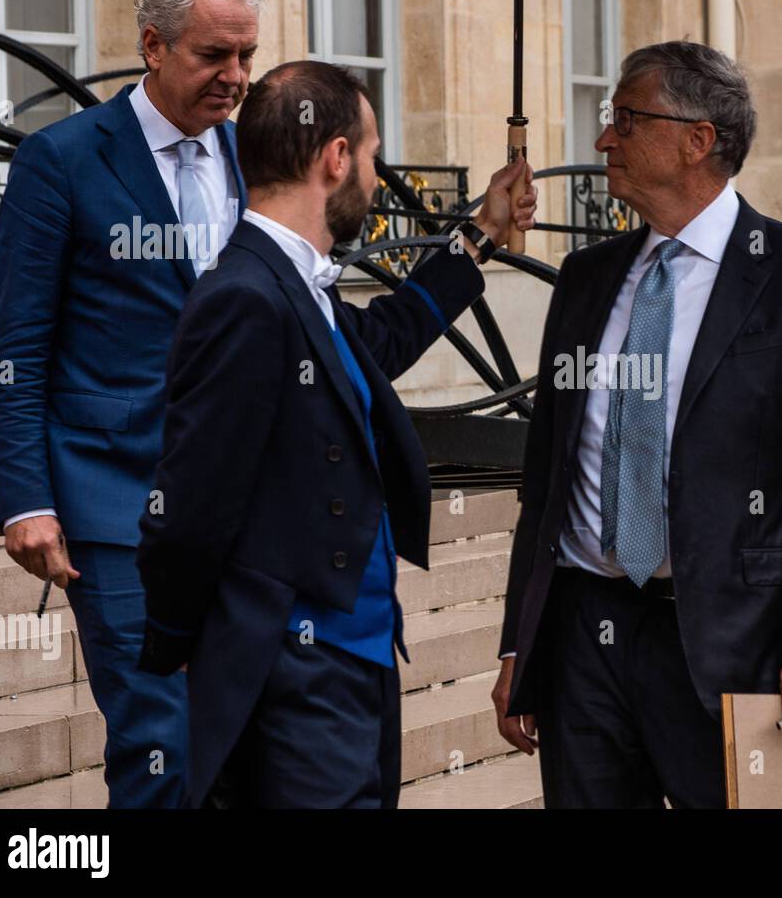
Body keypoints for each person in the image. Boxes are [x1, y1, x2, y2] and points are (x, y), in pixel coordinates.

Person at [136, 60, 536, 808]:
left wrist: (479, 233)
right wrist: (185, 645)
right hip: (292, 669)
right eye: (374, 153)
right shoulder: (244, 297)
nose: (379, 179)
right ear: (336, 157)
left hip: (354, 661)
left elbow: (382, 340)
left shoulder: (295, 284)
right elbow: (188, 502)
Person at [491, 40, 782, 808]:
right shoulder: (586, 278)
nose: (605, 139)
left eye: (626, 119)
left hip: (737, 645)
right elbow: (547, 481)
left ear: (698, 140)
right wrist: (519, 642)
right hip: (583, 639)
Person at [0, 0, 261, 807]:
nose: (236, 76)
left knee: (242, 742)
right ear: (152, 44)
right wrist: (25, 499)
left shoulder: (252, 159)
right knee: (157, 746)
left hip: (243, 504)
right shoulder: (61, 160)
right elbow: (14, 344)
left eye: (247, 55)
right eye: (214, 55)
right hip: (114, 507)